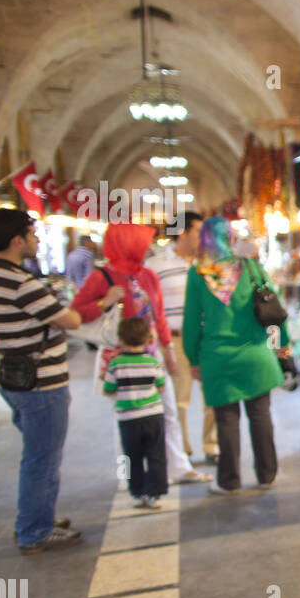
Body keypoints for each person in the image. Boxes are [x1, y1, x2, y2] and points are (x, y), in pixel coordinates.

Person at [0, 209, 123, 553]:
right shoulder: (21, 282)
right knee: (42, 457)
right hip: (40, 382)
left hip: (15, 378)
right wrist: (105, 302)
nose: (37, 240)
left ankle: (35, 517)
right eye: (32, 234)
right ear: (17, 241)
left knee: (38, 454)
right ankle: (35, 530)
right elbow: (70, 319)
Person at [71, 222, 210, 485]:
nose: (146, 246)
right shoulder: (101, 278)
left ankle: (177, 467)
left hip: (151, 356)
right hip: (120, 359)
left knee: (167, 411)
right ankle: (127, 476)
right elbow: (76, 314)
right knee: (123, 419)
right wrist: (105, 302)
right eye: (140, 241)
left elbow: (159, 317)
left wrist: (168, 350)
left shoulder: (147, 275)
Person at [182, 216, 291, 494]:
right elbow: (275, 307)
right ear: (230, 237)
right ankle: (267, 475)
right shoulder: (252, 267)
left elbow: (192, 323)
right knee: (260, 415)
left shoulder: (198, 275)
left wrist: (192, 358)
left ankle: (229, 481)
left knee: (226, 420)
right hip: (256, 355)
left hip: (218, 358)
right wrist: (282, 345)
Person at [146, 212, 218, 465]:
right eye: (199, 231)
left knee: (213, 395)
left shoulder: (210, 262)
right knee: (180, 398)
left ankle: (213, 445)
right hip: (176, 339)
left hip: (208, 338)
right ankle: (183, 451)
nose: (204, 237)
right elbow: (149, 305)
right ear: (183, 232)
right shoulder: (157, 265)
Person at [104, 317, 168, 510]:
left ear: (120, 340)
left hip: (128, 419)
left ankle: (137, 492)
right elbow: (161, 386)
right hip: (153, 416)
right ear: (148, 339)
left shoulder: (116, 364)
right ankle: (155, 492)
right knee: (156, 454)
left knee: (131, 456)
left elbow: (108, 389)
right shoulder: (152, 362)